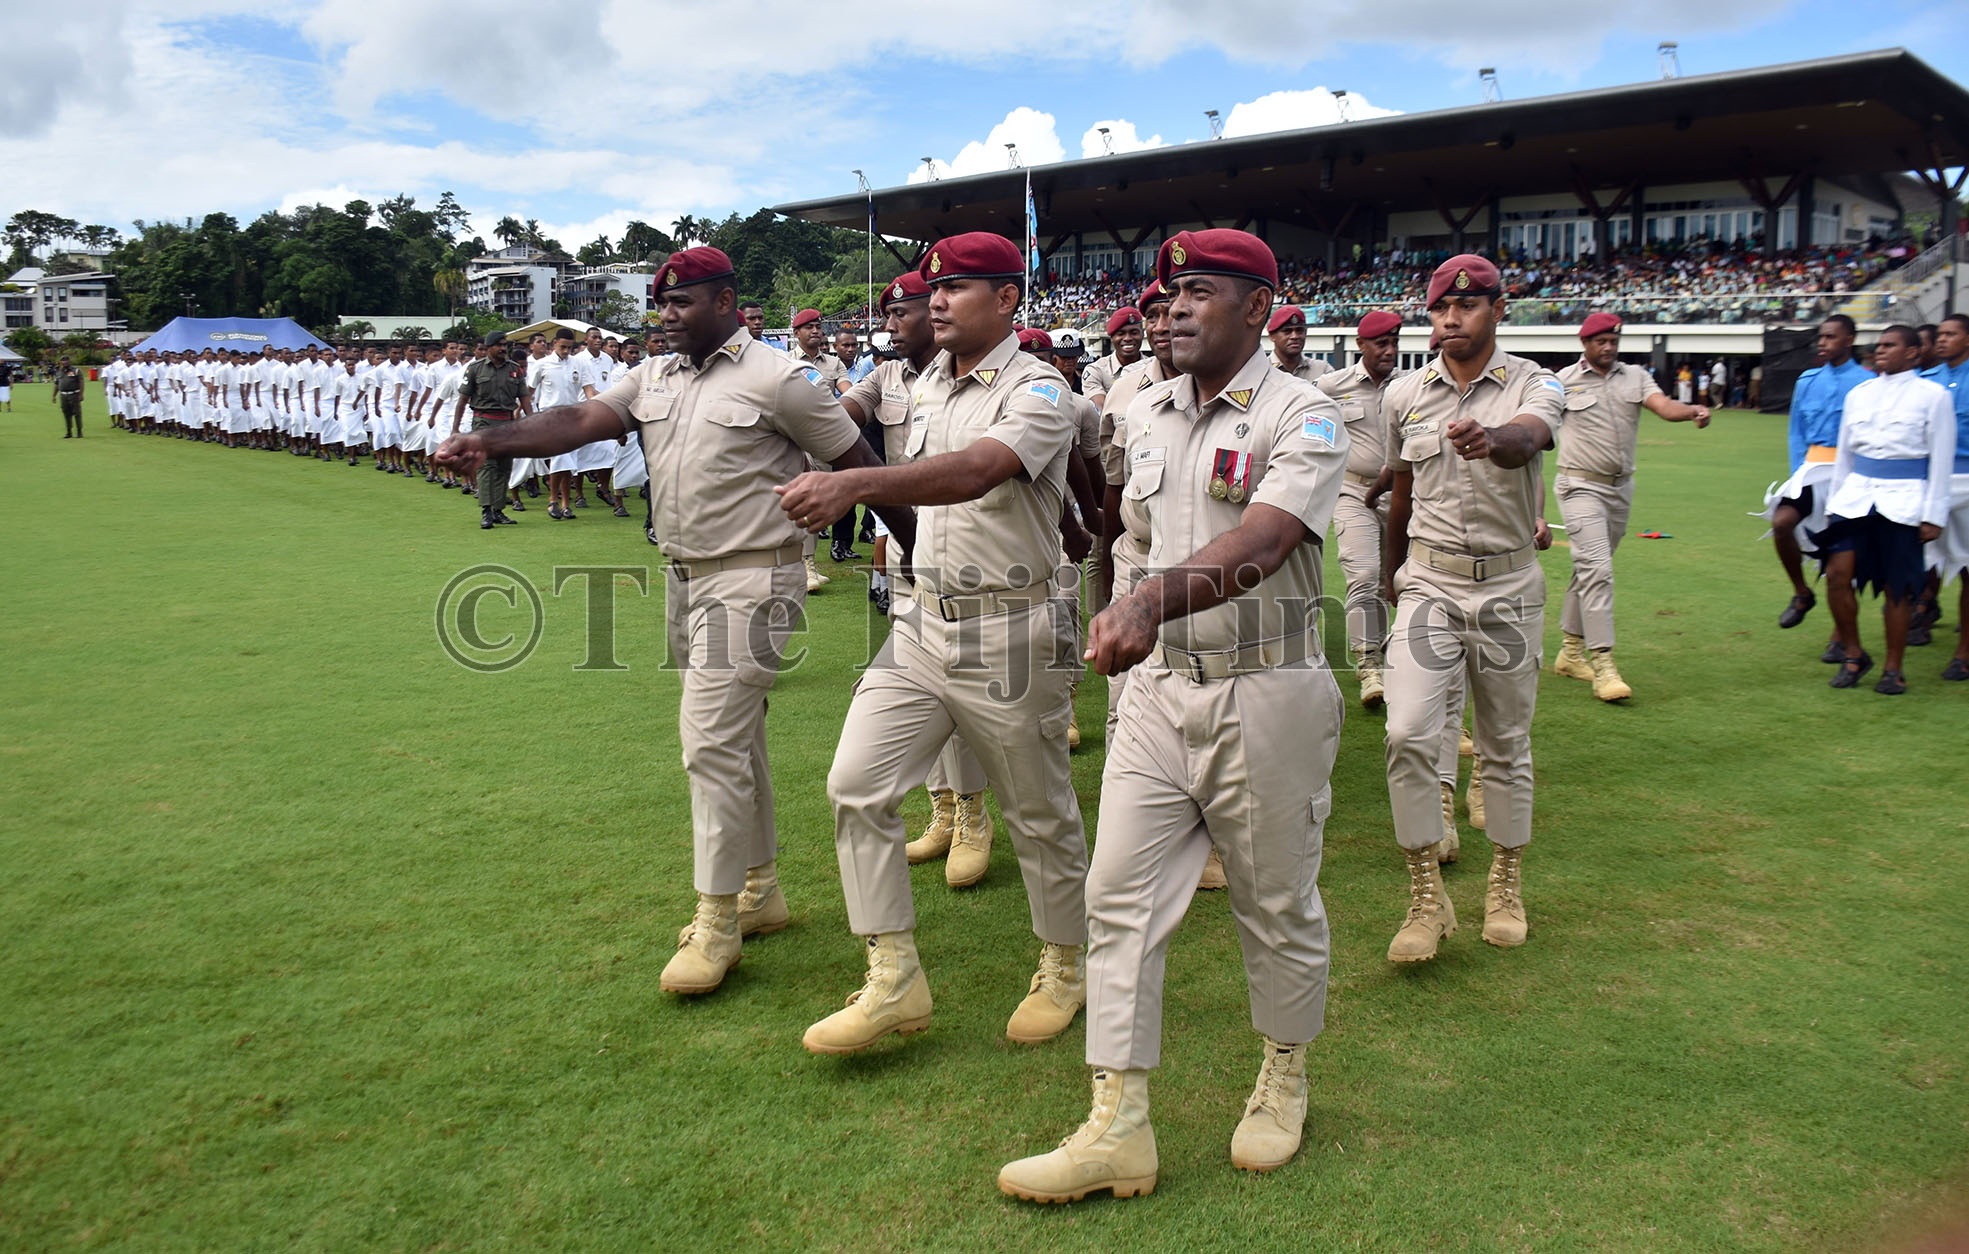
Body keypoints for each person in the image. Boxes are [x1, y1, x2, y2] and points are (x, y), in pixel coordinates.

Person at [436, 245, 904, 996]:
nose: (665, 315)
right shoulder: (653, 374)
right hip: (685, 577)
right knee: (736, 738)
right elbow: (577, 419)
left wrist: (916, 560)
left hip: (755, 575)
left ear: (725, 302)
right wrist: (488, 440)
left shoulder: (780, 379)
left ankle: (716, 921)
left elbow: (862, 464)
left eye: (680, 302)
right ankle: (760, 889)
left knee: (709, 742)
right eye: (661, 303)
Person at [998, 229, 1349, 1202]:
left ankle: (1283, 1075)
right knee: (1116, 897)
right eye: (1168, 293)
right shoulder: (1141, 407)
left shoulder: (1303, 414)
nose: (1176, 308)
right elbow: (1131, 536)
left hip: (1265, 687)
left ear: (1258, 307)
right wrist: (1126, 607)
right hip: (1156, 691)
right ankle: (1118, 1124)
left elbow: (1266, 540)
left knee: (1274, 901)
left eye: (1199, 290)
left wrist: (1149, 602)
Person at [774, 232, 1089, 1056]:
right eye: (933, 289)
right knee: (855, 785)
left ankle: (1065, 963)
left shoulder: (1040, 389)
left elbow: (978, 470)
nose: (936, 301)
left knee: (1038, 812)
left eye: (957, 288)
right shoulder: (920, 384)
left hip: (1008, 627)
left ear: (1008, 298)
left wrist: (855, 482)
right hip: (921, 623)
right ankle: (893, 976)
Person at [1380, 254, 1565, 963]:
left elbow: (1528, 437)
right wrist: (1393, 574)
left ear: (1498, 309)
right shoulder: (1405, 394)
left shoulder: (1536, 382)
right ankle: (1425, 896)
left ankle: (1506, 883)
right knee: (1406, 732)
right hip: (1430, 583)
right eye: (1439, 308)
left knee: (1504, 743)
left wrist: (1493, 440)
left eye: (1467, 305)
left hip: (1509, 587)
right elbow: (1401, 492)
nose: (1450, 319)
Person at [838, 270, 1000, 874]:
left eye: (899, 313)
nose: (892, 326)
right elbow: (839, 416)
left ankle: (973, 815)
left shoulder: (981, 379)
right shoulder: (885, 377)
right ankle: (943, 811)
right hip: (911, 554)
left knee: (964, 700)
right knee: (919, 691)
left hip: (970, 557)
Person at [1550, 312, 1711, 702]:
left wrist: (1692, 411)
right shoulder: (1562, 381)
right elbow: (1535, 418)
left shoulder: (1635, 376)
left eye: (1614, 341)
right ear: (1585, 343)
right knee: (1598, 570)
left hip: (1620, 490)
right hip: (1579, 485)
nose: (1609, 347)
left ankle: (1570, 653)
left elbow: (1663, 406)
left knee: (1590, 568)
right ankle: (1603, 664)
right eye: (1601, 341)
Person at [1816, 325, 1955, 694]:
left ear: (1912, 353)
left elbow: (1941, 458)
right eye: (1879, 345)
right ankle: (1854, 653)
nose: (1881, 350)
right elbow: (1845, 456)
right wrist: (1834, 503)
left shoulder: (1934, 396)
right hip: (1855, 497)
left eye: (1890, 345)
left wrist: (1933, 515)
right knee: (1836, 575)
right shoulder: (1859, 394)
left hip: (1905, 500)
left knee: (1899, 587)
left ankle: (1893, 669)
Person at [1316, 310, 1402, 708]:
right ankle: (1369, 665)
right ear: (1361, 345)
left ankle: (1385, 652)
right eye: (1381, 343)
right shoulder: (1333, 386)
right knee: (1364, 573)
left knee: (1393, 580)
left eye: (1395, 343)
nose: (1390, 350)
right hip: (1352, 492)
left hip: (1400, 497)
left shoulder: (1409, 385)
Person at [1766, 316, 1871, 645]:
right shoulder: (1808, 380)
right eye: (1821, 337)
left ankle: (1841, 633)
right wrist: (1798, 471)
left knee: (1842, 556)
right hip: (1812, 468)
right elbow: (1796, 431)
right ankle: (1801, 592)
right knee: (1781, 522)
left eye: (1831, 337)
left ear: (1849, 340)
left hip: (1850, 474)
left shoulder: (1867, 382)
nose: (1823, 343)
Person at [1920, 312, 1969, 679]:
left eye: (1950, 334)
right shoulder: (1925, 382)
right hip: (1930, 480)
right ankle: (1923, 612)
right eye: (1939, 334)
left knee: (1968, 568)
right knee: (1919, 558)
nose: (1941, 339)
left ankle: (1964, 652)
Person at [451, 332, 530, 530]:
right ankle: (486, 510)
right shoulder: (475, 369)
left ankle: (498, 509)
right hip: (484, 422)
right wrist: (455, 428)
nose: (503, 348)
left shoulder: (515, 369)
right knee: (487, 466)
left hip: (507, 423)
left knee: (504, 467)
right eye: (499, 345)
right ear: (488, 348)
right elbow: (462, 400)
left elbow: (524, 398)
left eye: (505, 345)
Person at [1083, 307, 1143, 409]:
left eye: (1134, 333)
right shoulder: (1096, 370)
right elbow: (1101, 410)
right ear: (1112, 338)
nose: (1128, 338)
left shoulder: (1154, 367)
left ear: (1142, 334)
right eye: (1121, 334)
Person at [1266, 304, 1328, 382]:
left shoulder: (1322, 370)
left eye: (1299, 331)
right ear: (1272, 336)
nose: (1294, 336)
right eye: (1287, 331)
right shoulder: (1262, 370)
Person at [53, 357, 83, 436]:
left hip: (74, 394)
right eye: (63, 360)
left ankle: (79, 431)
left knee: (77, 413)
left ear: (69, 361)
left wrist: (81, 394)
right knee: (66, 413)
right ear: (61, 362)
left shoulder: (76, 370)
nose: (65, 362)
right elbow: (56, 384)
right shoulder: (59, 372)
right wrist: (54, 395)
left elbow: (81, 382)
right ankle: (69, 431)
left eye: (66, 360)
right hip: (63, 395)